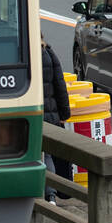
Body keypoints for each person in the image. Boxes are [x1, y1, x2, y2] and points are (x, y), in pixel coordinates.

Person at [41, 34, 74, 204]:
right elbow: (60, 85)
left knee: (41, 156)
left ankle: (43, 193)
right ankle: (51, 195)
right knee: (48, 155)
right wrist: (64, 113)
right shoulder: (48, 53)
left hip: (35, 114)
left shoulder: (22, 54)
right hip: (52, 114)